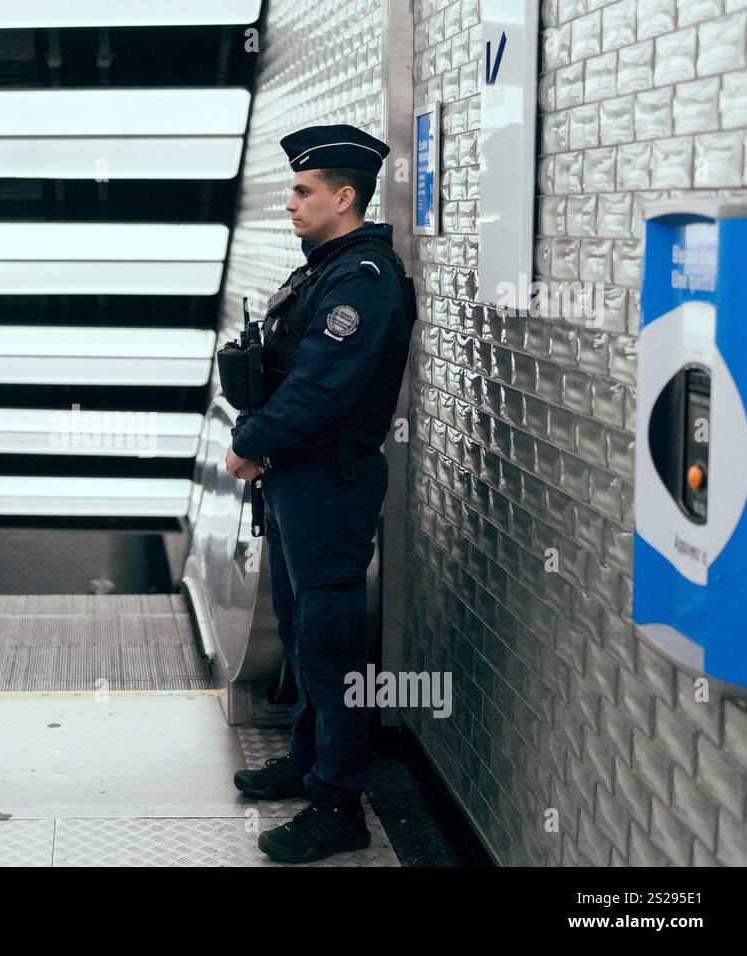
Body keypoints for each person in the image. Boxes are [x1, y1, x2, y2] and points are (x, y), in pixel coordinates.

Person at [224, 123, 415, 864]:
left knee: (333, 644)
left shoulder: (361, 278)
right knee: (306, 631)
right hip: (297, 478)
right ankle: (307, 762)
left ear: (344, 196)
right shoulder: (321, 268)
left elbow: (324, 385)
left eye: (304, 191)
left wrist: (253, 440)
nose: (291, 203)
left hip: (328, 480)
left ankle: (339, 804)